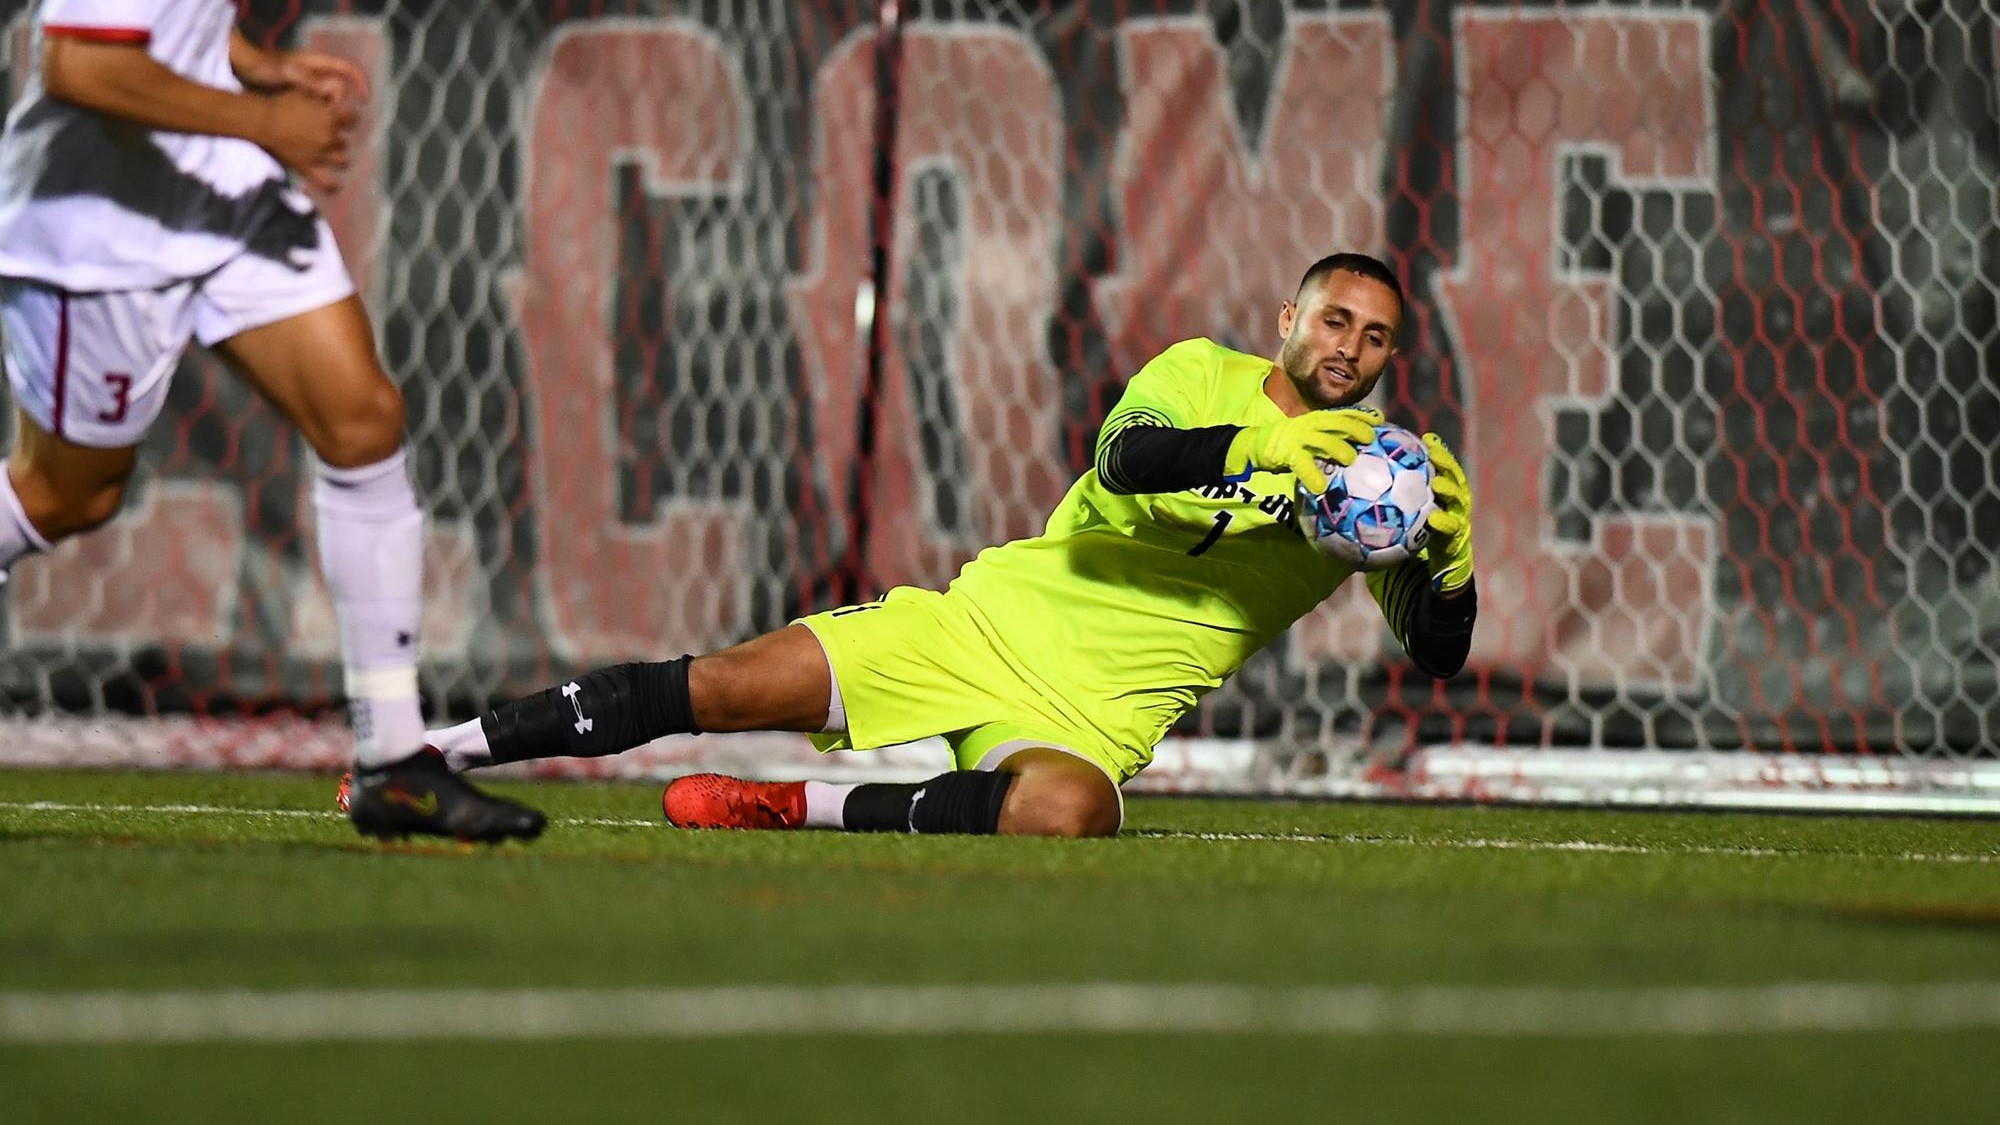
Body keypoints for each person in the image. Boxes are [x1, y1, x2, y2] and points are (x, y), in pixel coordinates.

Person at [407, 253, 1476, 838]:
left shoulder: (1371, 494)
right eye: (1335, 320)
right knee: (726, 685)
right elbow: (1123, 461)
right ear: (1289, 315)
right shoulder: (1202, 372)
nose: (1350, 347)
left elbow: (1434, 652)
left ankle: (797, 810)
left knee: (1070, 813)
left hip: (1091, 719)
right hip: (978, 627)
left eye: (1374, 335)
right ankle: (435, 757)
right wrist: (1257, 447)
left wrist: (1450, 570)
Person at [0, 0, 543, 842]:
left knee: (361, 420)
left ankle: (394, 762)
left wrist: (253, 63)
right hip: (102, 225)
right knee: (65, 495)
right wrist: (261, 118)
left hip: (221, 193)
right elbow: (80, 63)